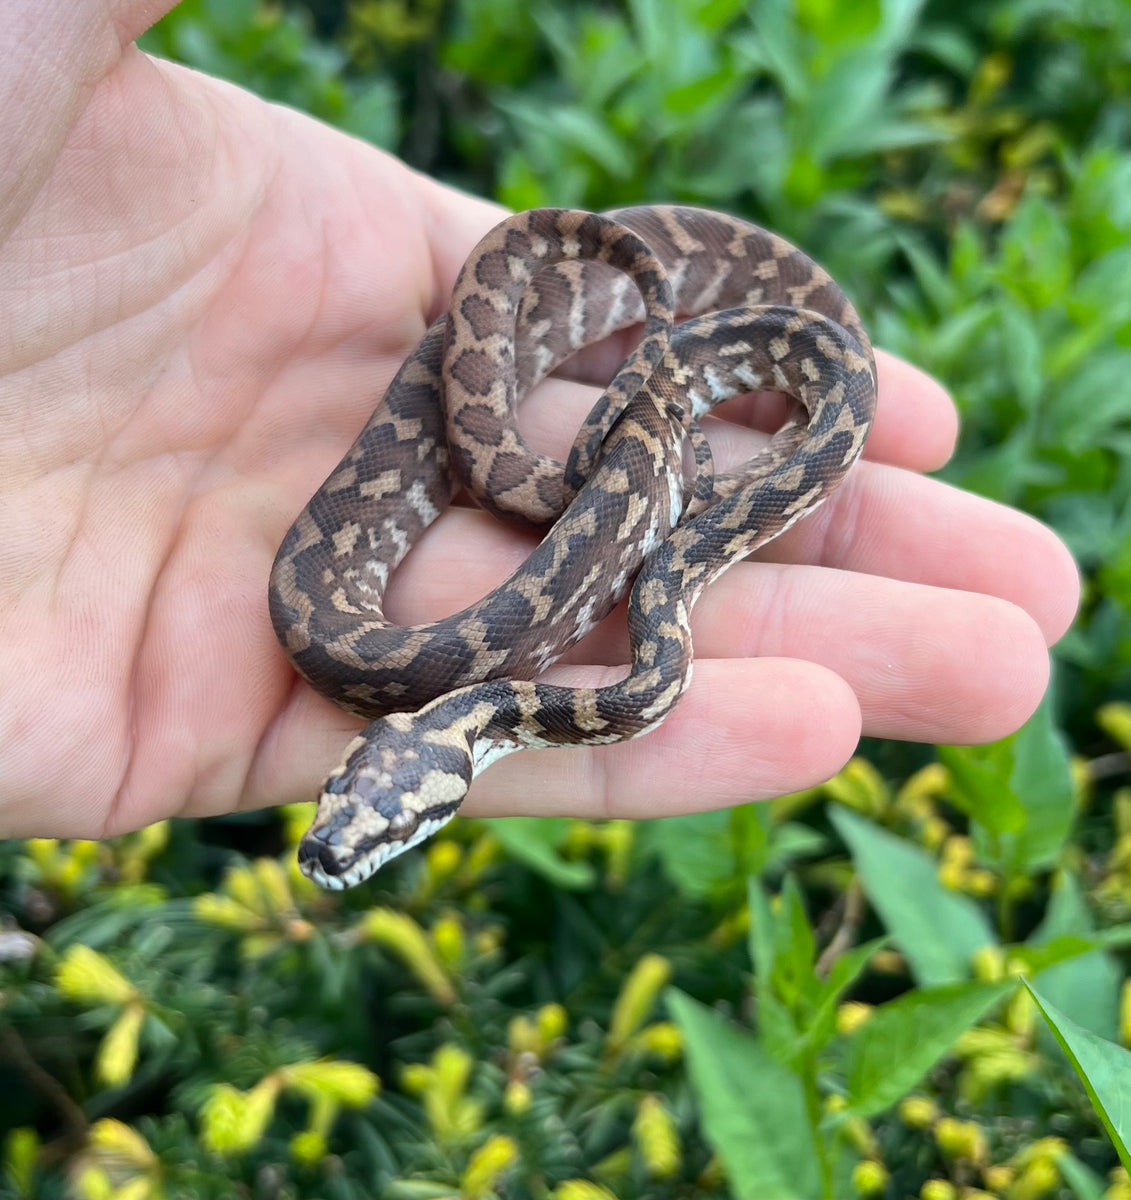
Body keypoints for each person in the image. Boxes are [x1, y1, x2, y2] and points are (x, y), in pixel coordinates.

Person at [0, 1, 1079, 842]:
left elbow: (650, 537)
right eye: (368, 818)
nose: (339, 834)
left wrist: (656, 471)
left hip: (685, 409)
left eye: (357, 807)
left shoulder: (603, 624)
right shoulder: (624, 679)